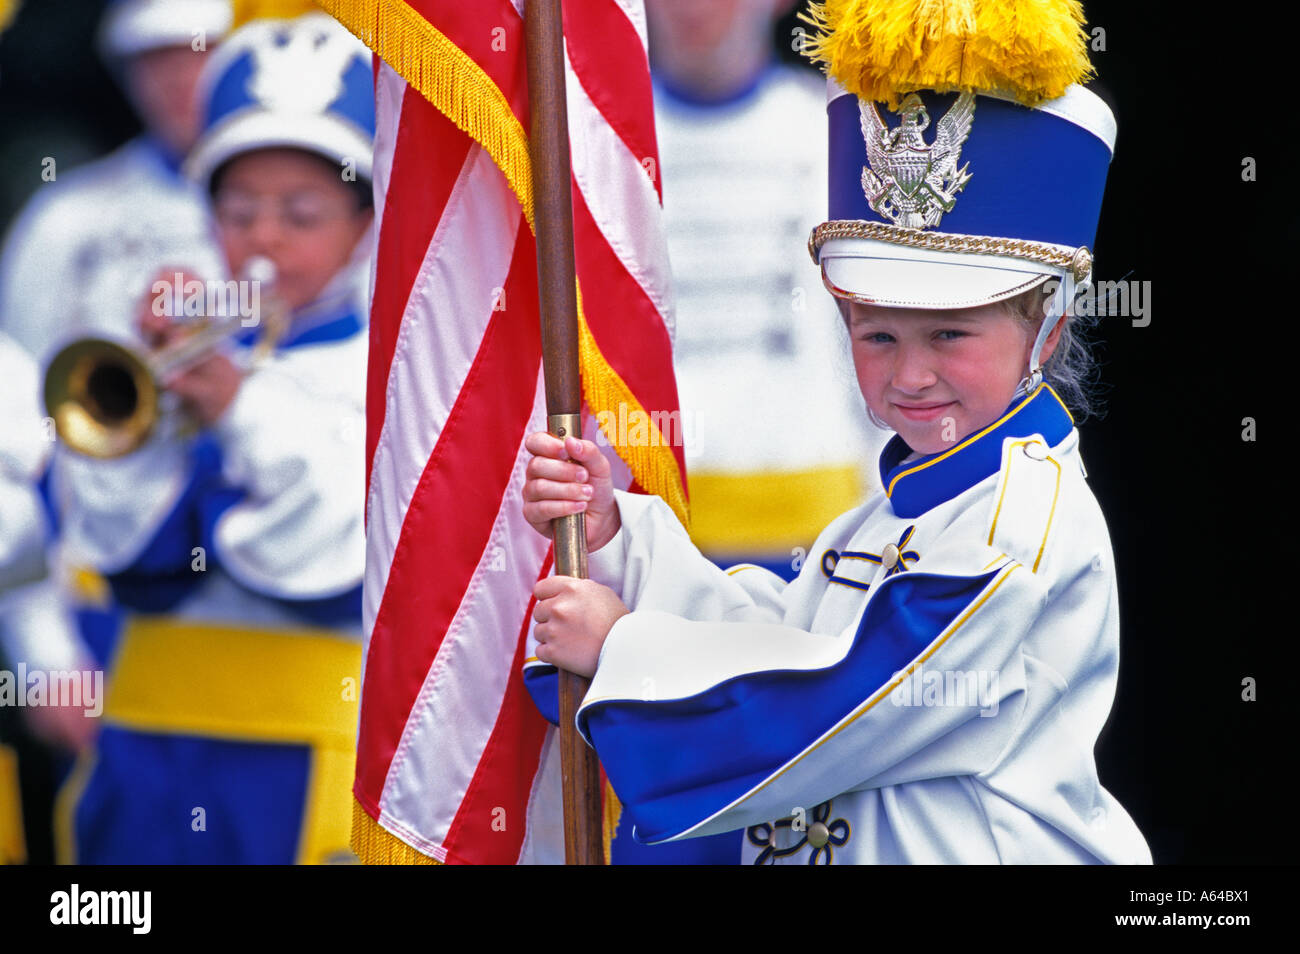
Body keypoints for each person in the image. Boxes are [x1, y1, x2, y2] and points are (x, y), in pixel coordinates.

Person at [520, 0, 1152, 863]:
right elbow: (790, 642)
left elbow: (844, 700)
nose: (911, 374)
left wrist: (622, 649)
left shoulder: (1021, 526)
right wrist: (622, 539)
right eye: (876, 334)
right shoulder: (899, 504)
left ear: (1048, 330)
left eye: (951, 334)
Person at [49, 10, 374, 864]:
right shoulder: (193, 350)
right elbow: (114, 545)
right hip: (144, 758)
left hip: (304, 763)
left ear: (366, 224)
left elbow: (332, 548)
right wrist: (147, 420)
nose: (263, 237)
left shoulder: (390, 362)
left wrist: (240, 405)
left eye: (301, 213)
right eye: (238, 208)